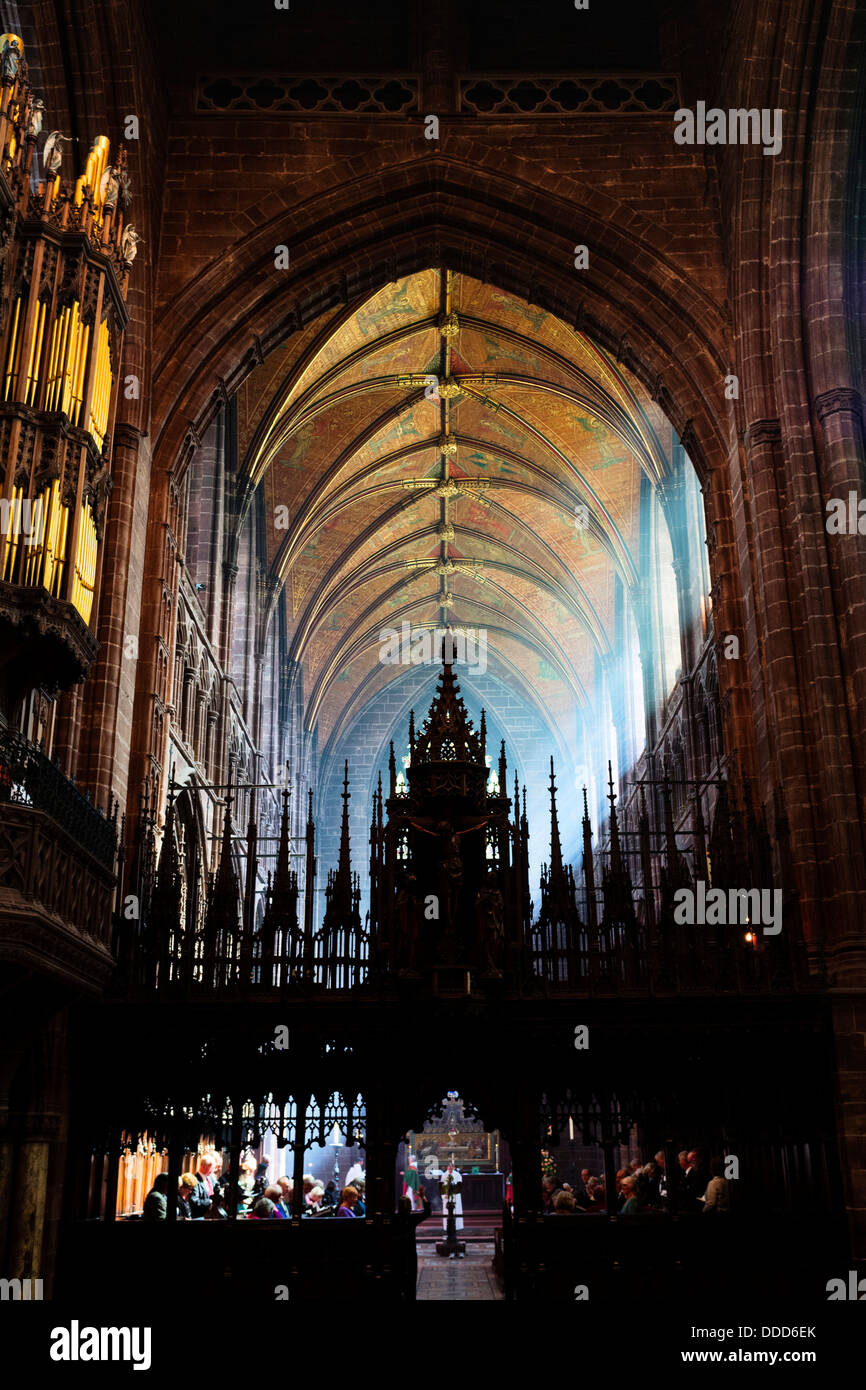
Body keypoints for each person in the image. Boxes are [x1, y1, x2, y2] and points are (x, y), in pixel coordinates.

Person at [396, 1183, 432, 1299]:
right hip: (410, 1251)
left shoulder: (394, 1218)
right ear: (410, 1207)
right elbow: (427, 1212)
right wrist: (423, 1197)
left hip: (397, 1253)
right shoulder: (412, 1218)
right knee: (411, 1279)